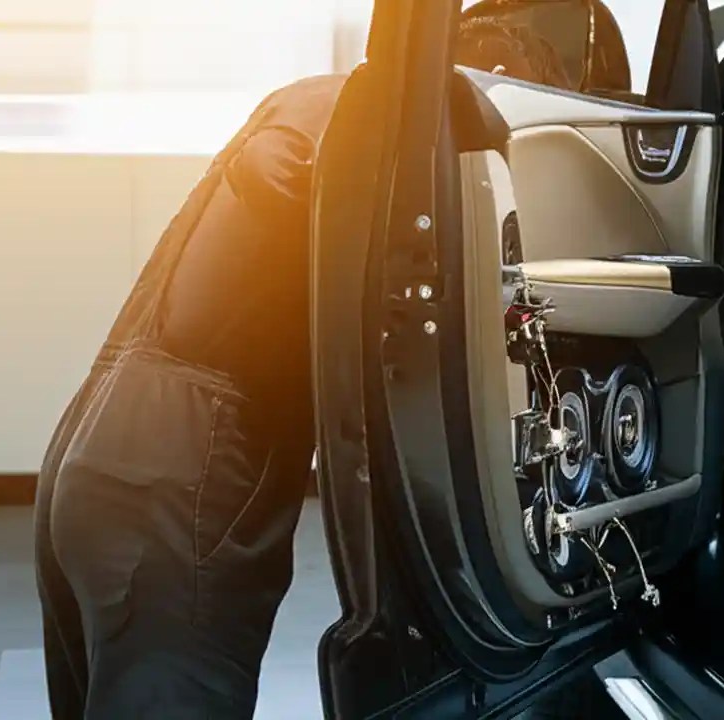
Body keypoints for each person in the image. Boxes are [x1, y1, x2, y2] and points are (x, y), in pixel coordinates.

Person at [33, 13, 575, 720]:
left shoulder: (309, 101)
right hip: (185, 485)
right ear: (481, 86)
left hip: (96, 445)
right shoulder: (388, 145)